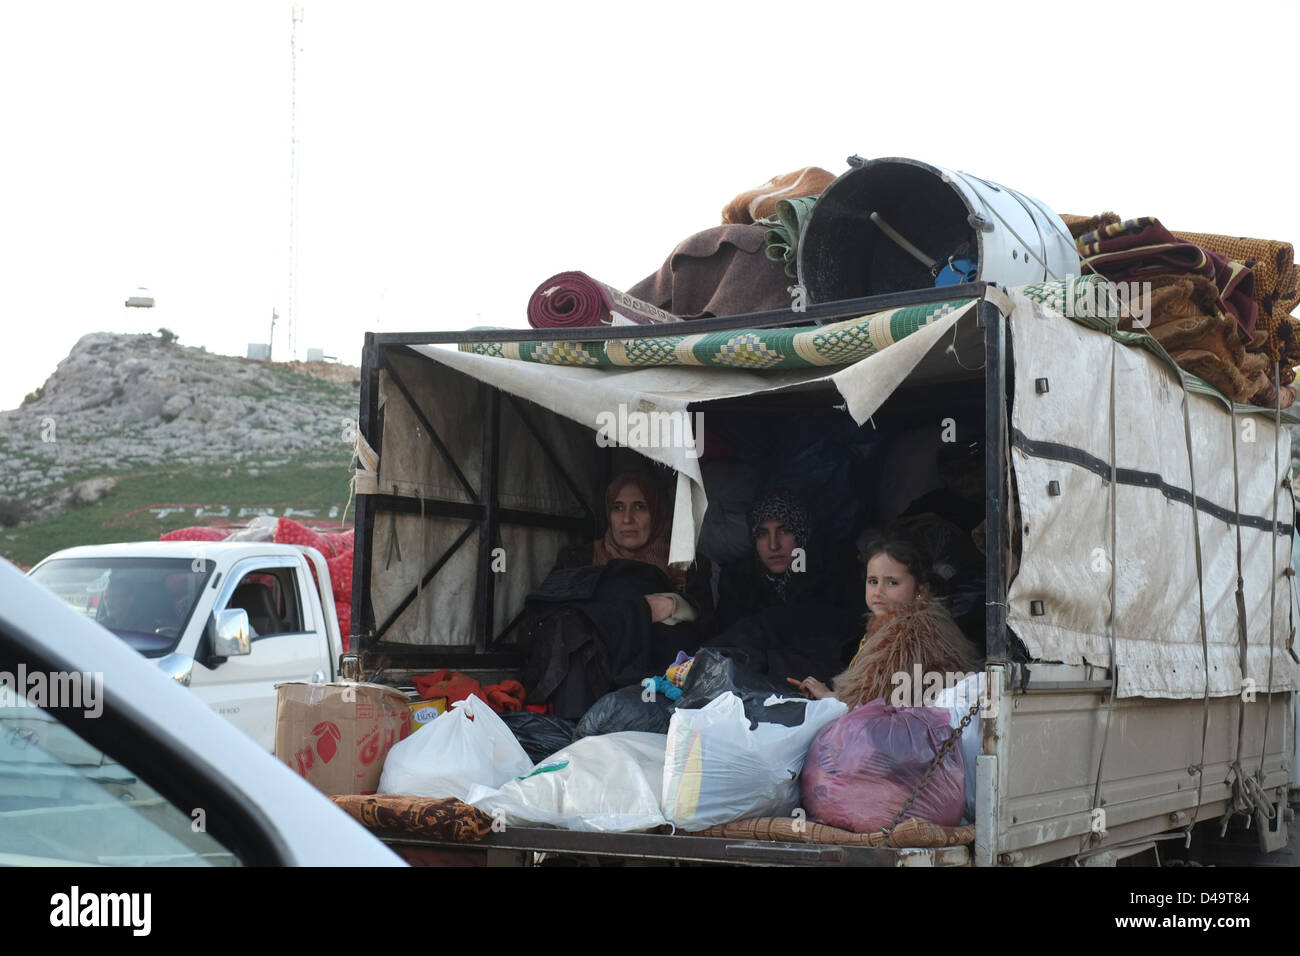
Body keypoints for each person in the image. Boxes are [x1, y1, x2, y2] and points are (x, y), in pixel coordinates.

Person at [521, 472, 714, 718]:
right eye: (618, 508)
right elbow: (548, 617)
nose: (627, 519)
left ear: (659, 512)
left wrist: (674, 605)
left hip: (654, 691)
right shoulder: (579, 560)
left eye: (640, 507)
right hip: (591, 680)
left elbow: (708, 634)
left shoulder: (687, 566)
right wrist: (639, 610)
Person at [787, 526, 978, 707]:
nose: (878, 591)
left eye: (892, 582)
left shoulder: (913, 634)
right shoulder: (893, 622)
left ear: (920, 590)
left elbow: (867, 705)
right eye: (873, 581)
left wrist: (828, 696)